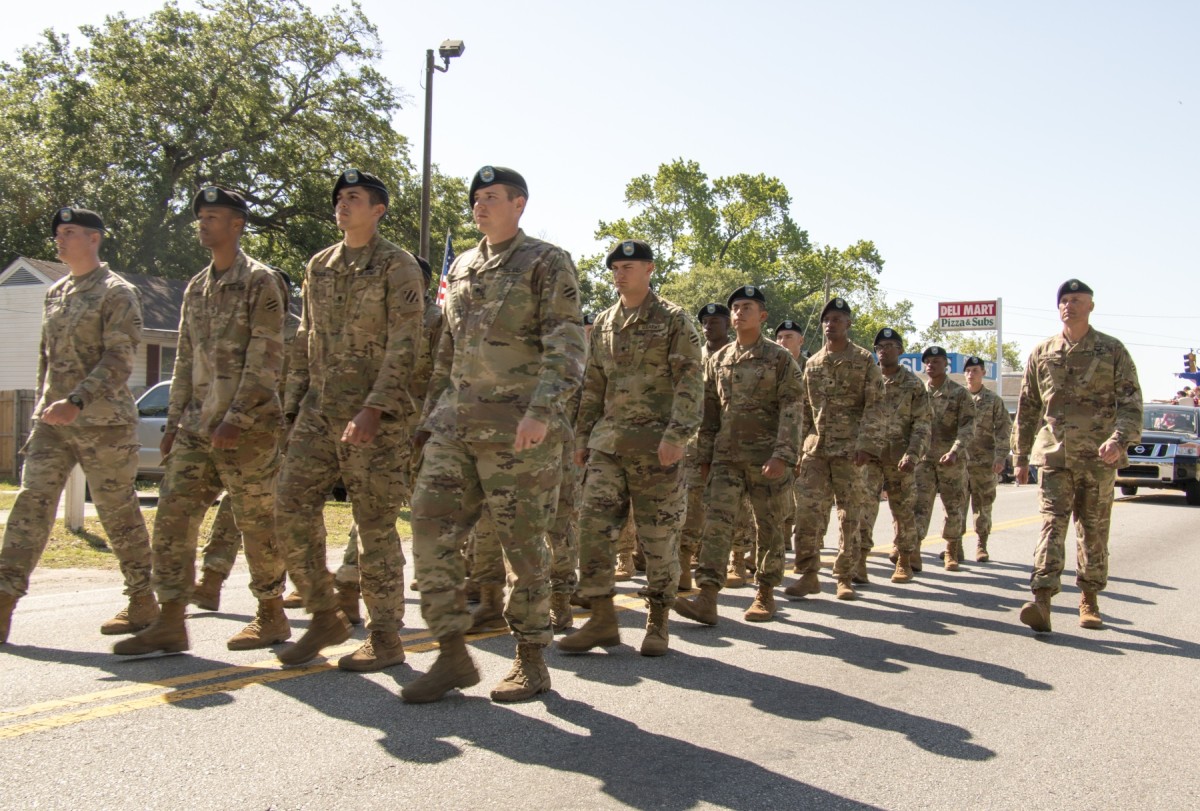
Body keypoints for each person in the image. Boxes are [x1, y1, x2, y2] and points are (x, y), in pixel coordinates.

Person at [401, 166, 585, 704]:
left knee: (524, 549)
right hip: (456, 427)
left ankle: (530, 659)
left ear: (519, 204)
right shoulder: (460, 267)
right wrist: (429, 416)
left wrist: (542, 411)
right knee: (429, 529)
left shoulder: (546, 263)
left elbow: (567, 343)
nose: (481, 206)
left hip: (519, 432)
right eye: (477, 198)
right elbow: (447, 350)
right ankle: (452, 652)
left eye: (492, 197)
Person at [114, 187, 289, 655]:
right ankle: (171, 620)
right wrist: (172, 424)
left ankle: (271, 613)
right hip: (196, 428)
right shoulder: (196, 286)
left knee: (257, 526)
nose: (203, 224)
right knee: (172, 519)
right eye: (201, 217)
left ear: (237, 225)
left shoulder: (261, 282)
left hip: (247, 431)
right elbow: (185, 358)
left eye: (213, 217)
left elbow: (266, 357)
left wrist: (236, 418)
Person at [274, 169, 425, 670]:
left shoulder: (397, 266)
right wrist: (292, 407)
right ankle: (323, 613)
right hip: (319, 412)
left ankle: (385, 637)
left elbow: (406, 345)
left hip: (376, 417)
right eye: (340, 198)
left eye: (354, 198)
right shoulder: (318, 264)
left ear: (378, 210)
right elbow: (304, 339)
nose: (343, 204)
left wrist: (374, 407)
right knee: (288, 506)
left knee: (375, 525)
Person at [0, 208, 154, 644]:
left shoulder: (116, 292)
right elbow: (45, 362)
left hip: (104, 423)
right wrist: (42, 412)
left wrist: (78, 400)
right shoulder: (56, 292)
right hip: (53, 422)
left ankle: (143, 598)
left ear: (94, 239)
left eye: (69, 233)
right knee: (31, 503)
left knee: (117, 511)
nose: (59, 240)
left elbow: (120, 359)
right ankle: (4, 598)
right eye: (58, 233)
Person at [559, 239, 702, 656]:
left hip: (657, 449)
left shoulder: (674, 320)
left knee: (658, 539)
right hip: (608, 445)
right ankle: (603, 619)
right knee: (593, 530)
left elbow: (690, 383)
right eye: (616, 267)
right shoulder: (603, 323)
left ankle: (657, 620)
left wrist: (677, 436)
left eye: (629, 266)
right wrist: (583, 438)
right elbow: (593, 386)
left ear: (649, 269)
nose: (620, 273)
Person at [1012, 279, 1141, 633]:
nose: (1070, 305)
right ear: (1059, 308)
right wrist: (1020, 456)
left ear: (1091, 306)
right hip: (1054, 455)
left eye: (1077, 300)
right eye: (1065, 300)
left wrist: (1119, 440)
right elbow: (1028, 407)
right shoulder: (1043, 352)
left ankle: (1089, 598)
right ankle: (1041, 599)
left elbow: (1131, 404)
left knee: (1093, 531)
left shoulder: (1111, 351)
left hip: (1100, 459)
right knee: (1052, 524)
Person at [674, 285, 802, 625]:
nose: (740, 312)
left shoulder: (780, 359)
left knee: (769, 528)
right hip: (726, 458)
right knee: (716, 526)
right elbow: (710, 413)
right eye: (736, 308)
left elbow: (793, 408)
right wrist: (704, 457)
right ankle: (708, 597)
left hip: (767, 460)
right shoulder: (718, 360)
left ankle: (765, 592)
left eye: (748, 307)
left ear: (762, 316)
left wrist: (783, 455)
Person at [788, 298, 885, 601]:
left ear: (849, 324)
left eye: (838, 319)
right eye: (827, 319)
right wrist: (797, 450)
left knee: (850, 515)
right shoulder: (813, 363)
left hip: (850, 450)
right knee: (807, 513)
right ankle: (808, 574)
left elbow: (875, 405)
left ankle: (845, 576)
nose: (831, 324)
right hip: (815, 451)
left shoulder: (864, 360)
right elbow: (804, 410)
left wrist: (867, 444)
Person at [857, 328, 930, 584]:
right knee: (864, 508)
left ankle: (904, 559)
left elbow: (922, 424)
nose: (884, 350)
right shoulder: (867, 379)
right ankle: (860, 559)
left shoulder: (913, 384)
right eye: (879, 346)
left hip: (901, 459)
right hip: (871, 457)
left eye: (890, 345)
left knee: (903, 510)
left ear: (900, 350)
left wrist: (913, 454)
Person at [678, 303, 735, 591]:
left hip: (731, 446)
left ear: (729, 325)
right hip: (696, 444)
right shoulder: (693, 358)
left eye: (716, 321)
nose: (709, 325)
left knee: (729, 511)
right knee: (691, 508)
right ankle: (685, 564)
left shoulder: (739, 357)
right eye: (705, 321)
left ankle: (733, 560)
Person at [912, 346, 974, 570]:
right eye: (928, 361)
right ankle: (913, 549)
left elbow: (968, 427)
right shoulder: (919, 393)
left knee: (953, 506)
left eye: (936, 361)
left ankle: (951, 550)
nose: (931, 364)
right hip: (924, 459)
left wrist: (955, 451)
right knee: (919, 504)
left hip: (951, 460)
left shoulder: (959, 394)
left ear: (946, 364)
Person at [963, 356, 1011, 563]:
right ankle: (954, 545)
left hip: (984, 462)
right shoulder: (958, 397)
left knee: (982, 506)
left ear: (983, 373)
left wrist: (1000, 457)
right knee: (955, 505)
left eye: (975, 370)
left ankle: (981, 545)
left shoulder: (993, 401)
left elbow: (1003, 430)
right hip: (960, 462)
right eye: (968, 371)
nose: (971, 374)